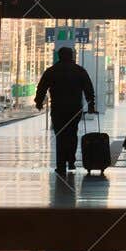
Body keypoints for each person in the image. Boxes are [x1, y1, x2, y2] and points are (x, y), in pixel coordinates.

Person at [34, 46, 96, 177]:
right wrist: (91, 104)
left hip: (58, 109)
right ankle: (71, 161)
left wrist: (39, 102)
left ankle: (61, 166)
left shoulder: (51, 71)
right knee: (72, 134)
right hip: (74, 109)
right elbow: (88, 88)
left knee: (60, 136)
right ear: (72, 56)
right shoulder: (79, 71)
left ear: (59, 56)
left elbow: (41, 88)